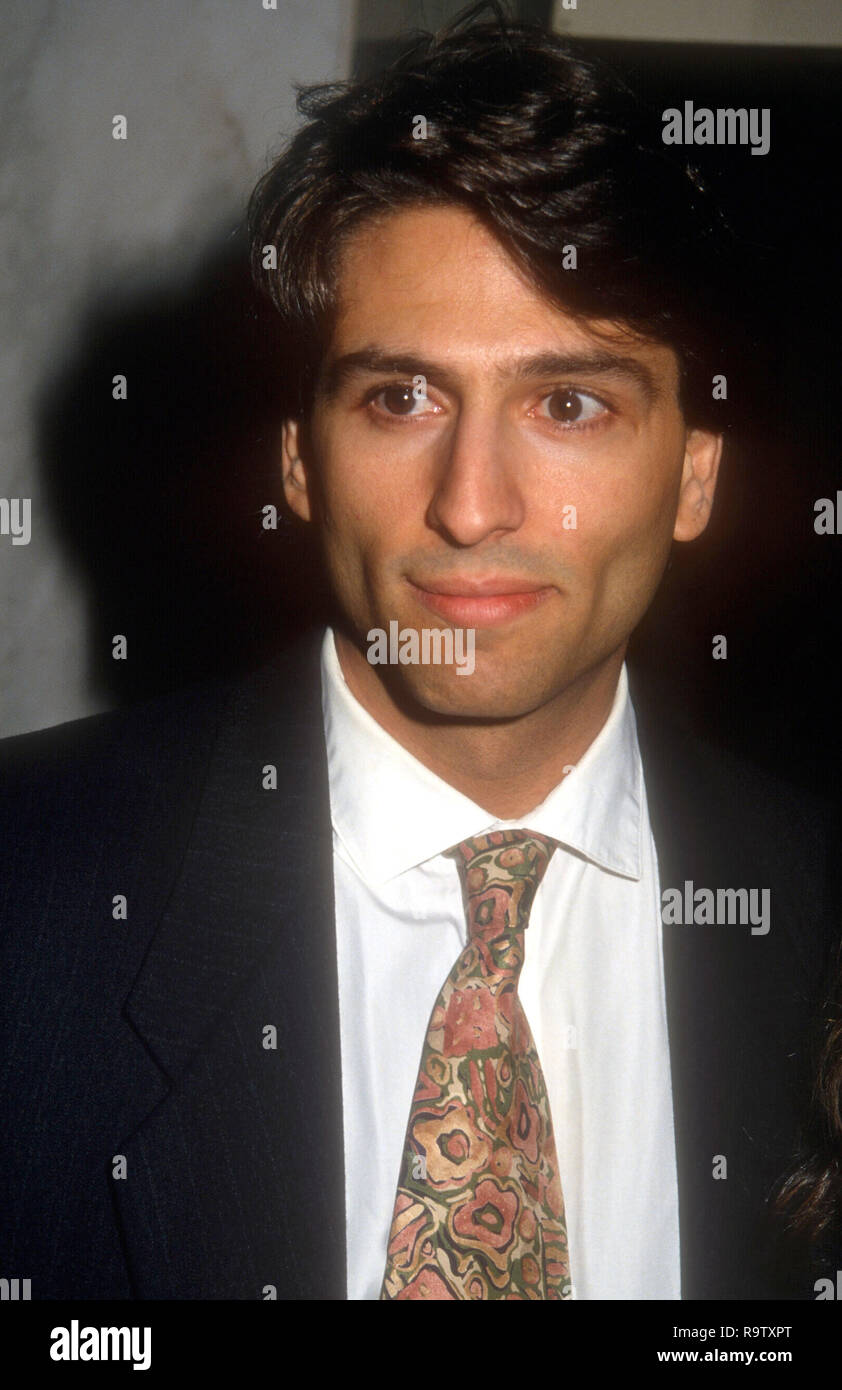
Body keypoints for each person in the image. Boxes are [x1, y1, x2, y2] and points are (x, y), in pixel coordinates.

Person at [0, 6, 837, 1300]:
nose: (471, 503)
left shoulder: (813, 909)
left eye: (568, 404)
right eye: (401, 398)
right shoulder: (30, 894)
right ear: (299, 461)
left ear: (691, 477)